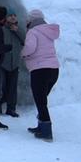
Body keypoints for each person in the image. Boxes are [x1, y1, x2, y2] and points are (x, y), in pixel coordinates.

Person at [22, 9, 60, 142]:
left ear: (31, 19)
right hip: (54, 70)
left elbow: (30, 48)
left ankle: (46, 132)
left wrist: (22, 53)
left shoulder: (33, 31)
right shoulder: (48, 30)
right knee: (42, 99)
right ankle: (41, 126)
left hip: (40, 70)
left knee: (40, 101)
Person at [0, 12, 24, 117]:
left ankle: (11, 108)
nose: (13, 17)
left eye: (15, 15)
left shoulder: (19, 30)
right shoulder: (2, 30)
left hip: (15, 63)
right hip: (3, 62)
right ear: (6, 18)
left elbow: (26, 41)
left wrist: (17, 31)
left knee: (12, 88)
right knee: (1, 86)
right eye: (10, 15)